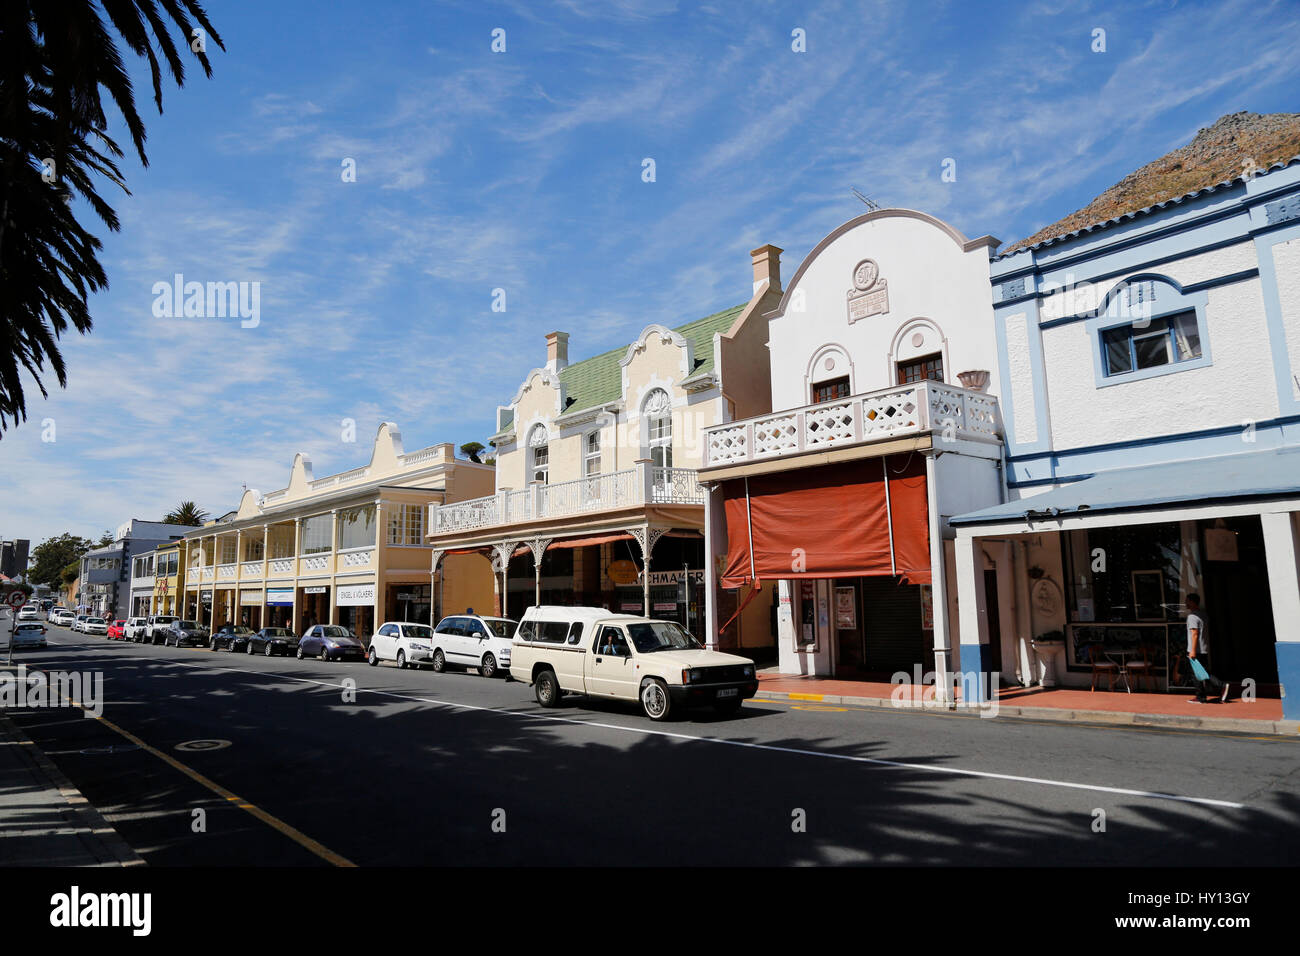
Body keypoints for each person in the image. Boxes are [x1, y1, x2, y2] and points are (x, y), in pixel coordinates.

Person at [1186, 594, 1229, 703]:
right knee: (1201, 672)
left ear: (1192, 602)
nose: (1186, 603)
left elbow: (1194, 634)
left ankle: (1220, 686)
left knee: (1198, 674)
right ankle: (1201, 696)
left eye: (1187, 601)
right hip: (1204, 649)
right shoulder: (1203, 615)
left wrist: (1192, 650)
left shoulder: (1192, 617)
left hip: (1196, 650)